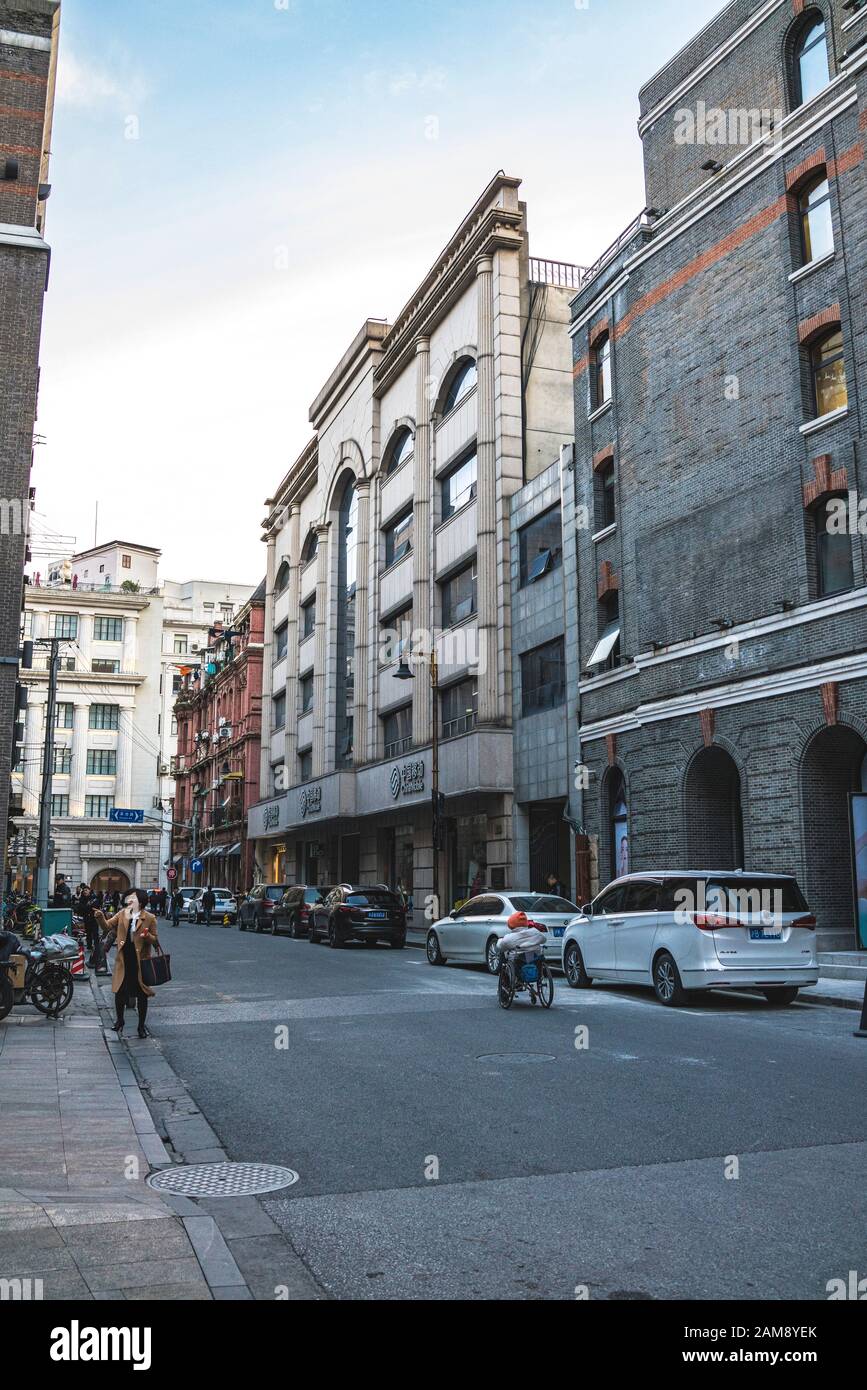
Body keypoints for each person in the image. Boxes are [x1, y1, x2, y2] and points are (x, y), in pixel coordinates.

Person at [97, 888, 161, 1039]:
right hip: (124, 960)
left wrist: (148, 936)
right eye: (128, 899)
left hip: (140, 962)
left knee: (142, 995)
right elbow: (107, 926)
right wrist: (100, 917)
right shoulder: (122, 914)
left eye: (132, 899)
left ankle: (140, 1027)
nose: (129, 901)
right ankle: (120, 1021)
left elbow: (156, 943)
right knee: (119, 992)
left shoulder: (150, 918)